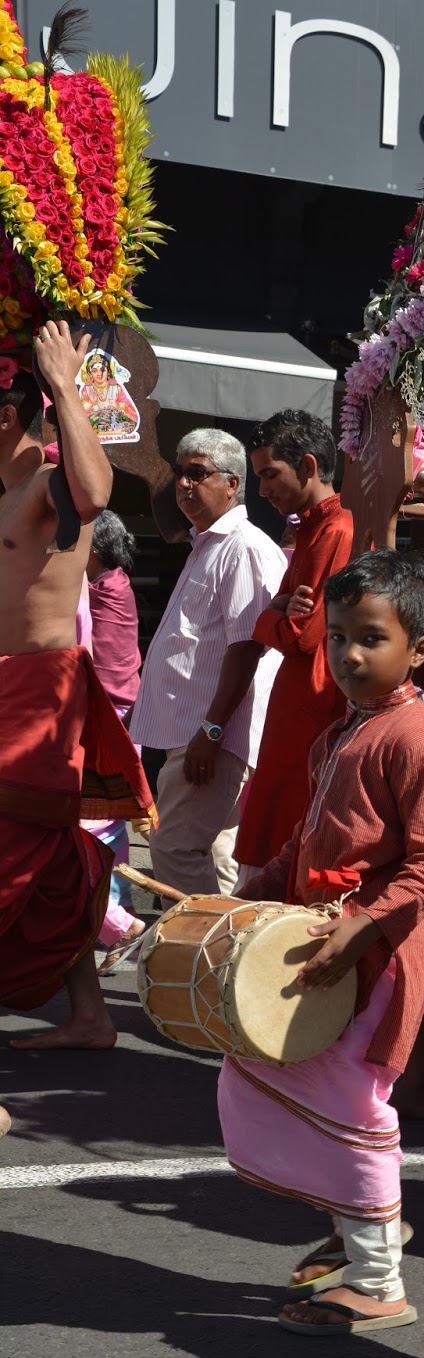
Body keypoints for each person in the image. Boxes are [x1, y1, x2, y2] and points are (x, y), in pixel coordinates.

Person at [217, 550, 424, 1332]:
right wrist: (243, 897)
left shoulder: (417, 740)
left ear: (417, 648)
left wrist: (359, 929)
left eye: (370, 639)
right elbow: (303, 849)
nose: (349, 656)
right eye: (338, 639)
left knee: (348, 1101)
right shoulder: (342, 734)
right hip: (328, 945)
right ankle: (356, 1226)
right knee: (276, 1072)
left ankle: (380, 1278)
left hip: (376, 957)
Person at [1, 321, 152, 1050]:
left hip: (36, 699)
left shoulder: (46, 482)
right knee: (55, 863)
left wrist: (64, 382)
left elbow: (95, 494)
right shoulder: (6, 491)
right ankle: (92, 1016)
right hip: (12, 695)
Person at [130, 430, 287, 896]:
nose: (183, 484)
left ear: (232, 484)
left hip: (213, 736)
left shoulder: (244, 548)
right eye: (180, 473)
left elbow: (248, 649)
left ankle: (201, 961)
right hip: (196, 734)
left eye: (197, 473)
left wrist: (213, 731)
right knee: (214, 852)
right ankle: (222, 960)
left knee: (174, 848)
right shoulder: (210, 544)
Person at [234, 410, 354, 871]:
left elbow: (303, 637)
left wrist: (269, 619)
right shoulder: (314, 527)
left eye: (269, 474)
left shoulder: (337, 531)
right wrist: (274, 615)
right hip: (297, 709)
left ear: (307, 465)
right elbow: (278, 614)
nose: (262, 489)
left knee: (284, 860)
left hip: (313, 710)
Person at [83, 509, 147, 969]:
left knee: (82, 828)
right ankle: (116, 918)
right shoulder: (117, 582)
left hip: (105, 720)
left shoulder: (98, 589)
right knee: (109, 825)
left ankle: (118, 923)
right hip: (122, 717)